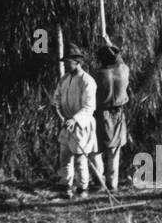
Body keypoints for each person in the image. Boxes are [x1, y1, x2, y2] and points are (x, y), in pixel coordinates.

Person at [54, 44, 97, 199]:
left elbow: (89, 106)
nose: (65, 64)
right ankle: (66, 187)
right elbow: (57, 97)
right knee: (64, 157)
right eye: (64, 61)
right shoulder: (64, 79)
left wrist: (75, 119)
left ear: (77, 62)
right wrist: (61, 115)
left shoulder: (87, 81)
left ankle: (82, 189)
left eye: (68, 61)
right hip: (66, 124)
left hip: (81, 125)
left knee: (80, 159)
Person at [91, 43, 130, 192]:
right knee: (114, 151)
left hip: (101, 113)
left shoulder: (97, 75)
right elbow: (122, 62)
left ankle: (99, 181)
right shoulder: (124, 71)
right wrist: (111, 45)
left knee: (96, 149)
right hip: (118, 113)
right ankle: (112, 184)